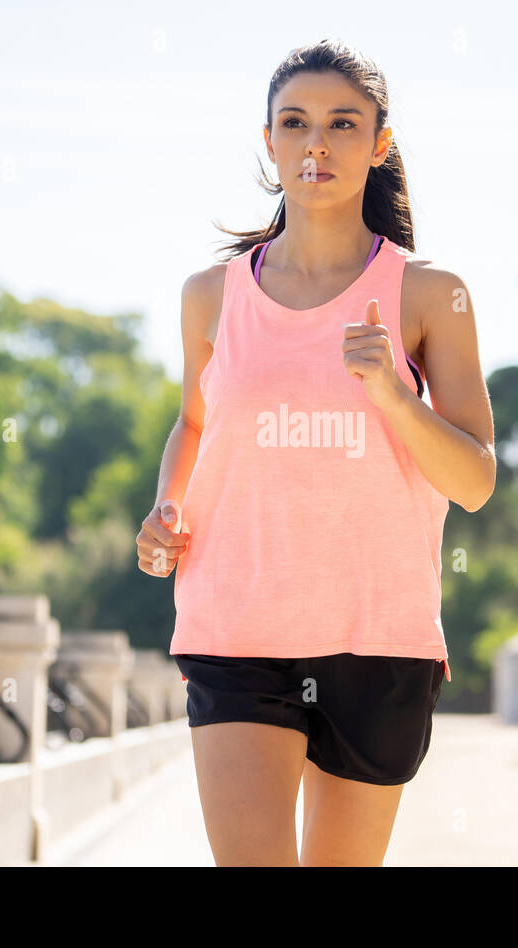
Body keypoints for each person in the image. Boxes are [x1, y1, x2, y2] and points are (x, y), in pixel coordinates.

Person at [135, 38, 496, 866]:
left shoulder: (430, 295)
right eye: (295, 123)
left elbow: (474, 480)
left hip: (380, 638)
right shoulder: (208, 297)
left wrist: (392, 397)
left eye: (343, 124)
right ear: (270, 142)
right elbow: (194, 424)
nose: (317, 144)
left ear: (379, 144)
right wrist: (166, 510)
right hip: (235, 627)